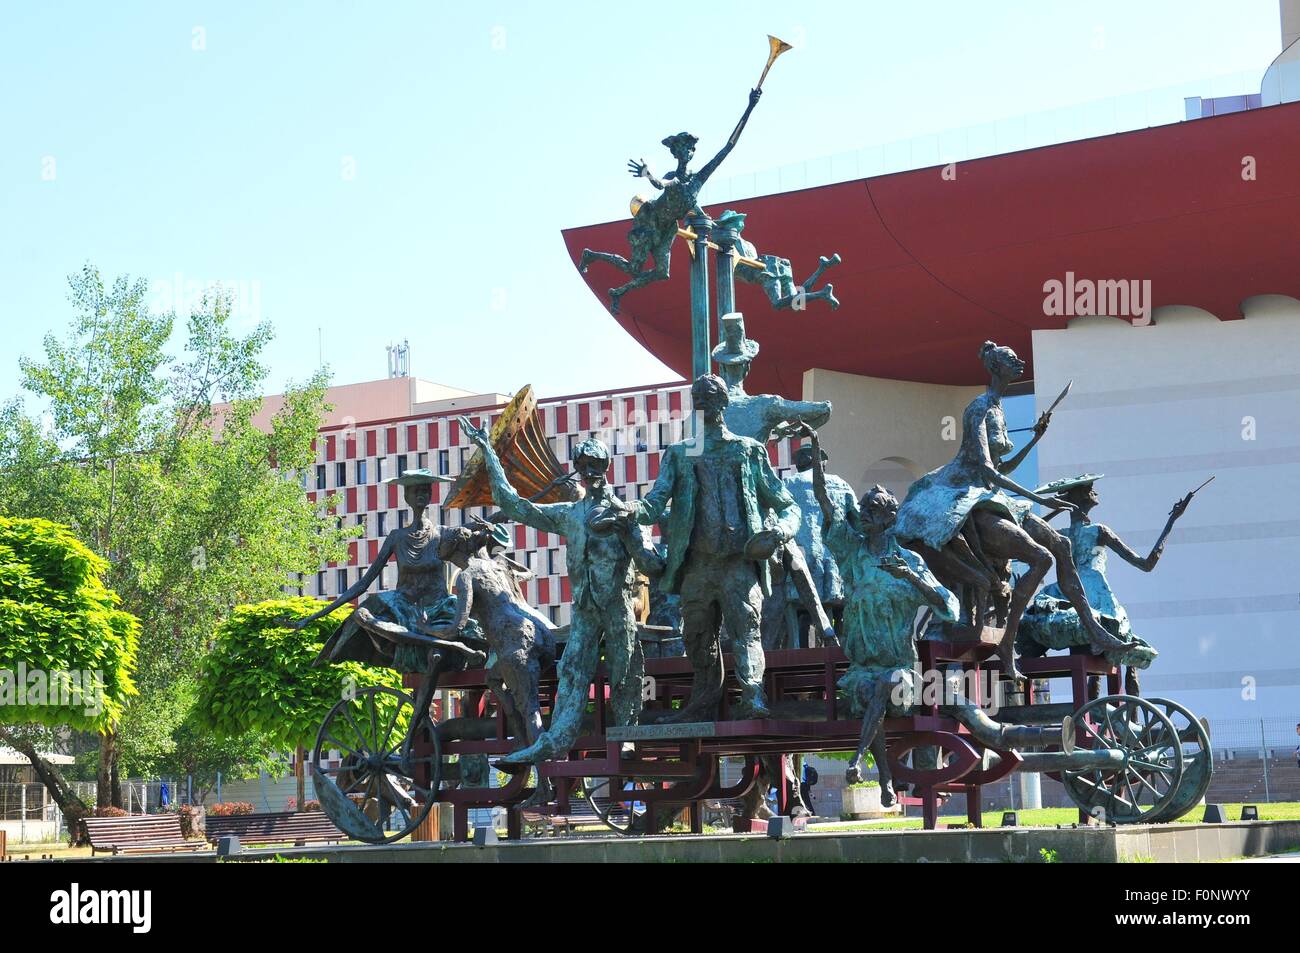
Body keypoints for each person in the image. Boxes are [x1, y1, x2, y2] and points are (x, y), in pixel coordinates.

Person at [891, 341, 1137, 680]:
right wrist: (1044, 500)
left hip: (993, 495)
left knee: (1061, 546)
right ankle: (1008, 644)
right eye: (1011, 360)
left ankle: (1092, 627)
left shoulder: (999, 407)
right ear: (995, 367)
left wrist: (1035, 439)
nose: (1019, 363)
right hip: (967, 496)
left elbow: (1001, 466)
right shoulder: (978, 408)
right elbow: (986, 470)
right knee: (1041, 558)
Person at [461, 422, 664, 766]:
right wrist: (489, 451)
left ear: (606, 467)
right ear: (579, 472)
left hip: (617, 608)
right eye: (583, 466)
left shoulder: (628, 514)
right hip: (585, 610)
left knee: (626, 670)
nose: (589, 472)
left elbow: (651, 562)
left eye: (595, 465)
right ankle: (553, 742)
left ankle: (627, 736)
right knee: (571, 670)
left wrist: (638, 531)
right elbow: (514, 505)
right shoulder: (569, 515)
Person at [796, 423, 961, 807]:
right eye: (864, 510)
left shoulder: (909, 561)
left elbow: (950, 608)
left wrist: (915, 582)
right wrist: (817, 453)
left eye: (872, 510)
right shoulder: (852, 556)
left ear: (889, 518)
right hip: (860, 672)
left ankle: (862, 763)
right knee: (873, 691)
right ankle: (885, 782)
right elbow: (826, 504)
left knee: (887, 685)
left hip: (907, 677)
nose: (864, 515)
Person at [621, 374, 800, 720]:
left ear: (723, 404)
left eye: (710, 397)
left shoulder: (748, 451)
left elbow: (786, 505)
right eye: (699, 398)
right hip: (698, 565)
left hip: (739, 563)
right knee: (696, 636)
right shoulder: (680, 454)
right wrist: (625, 509)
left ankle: (752, 696)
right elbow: (653, 504)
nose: (704, 403)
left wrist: (779, 532)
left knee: (746, 627)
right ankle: (704, 698)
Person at [579, 89, 763, 313]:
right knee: (633, 268)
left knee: (661, 273)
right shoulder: (672, 178)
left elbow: (728, 147)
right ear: (677, 154)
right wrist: (648, 175)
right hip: (651, 223)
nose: (689, 152)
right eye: (685, 149)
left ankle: (618, 292)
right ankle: (591, 255)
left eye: (691, 149)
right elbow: (661, 185)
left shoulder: (697, 180)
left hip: (667, 228)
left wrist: (750, 107)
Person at [1017, 474, 1193, 695]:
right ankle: (1120, 711)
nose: (1094, 492)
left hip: (1066, 593)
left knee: (1097, 652)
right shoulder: (1098, 531)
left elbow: (1024, 532)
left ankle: (1101, 707)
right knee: (1121, 644)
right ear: (1079, 498)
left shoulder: (1059, 535)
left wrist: (1052, 511)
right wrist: (1172, 521)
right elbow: (1146, 564)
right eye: (1089, 489)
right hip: (1094, 598)